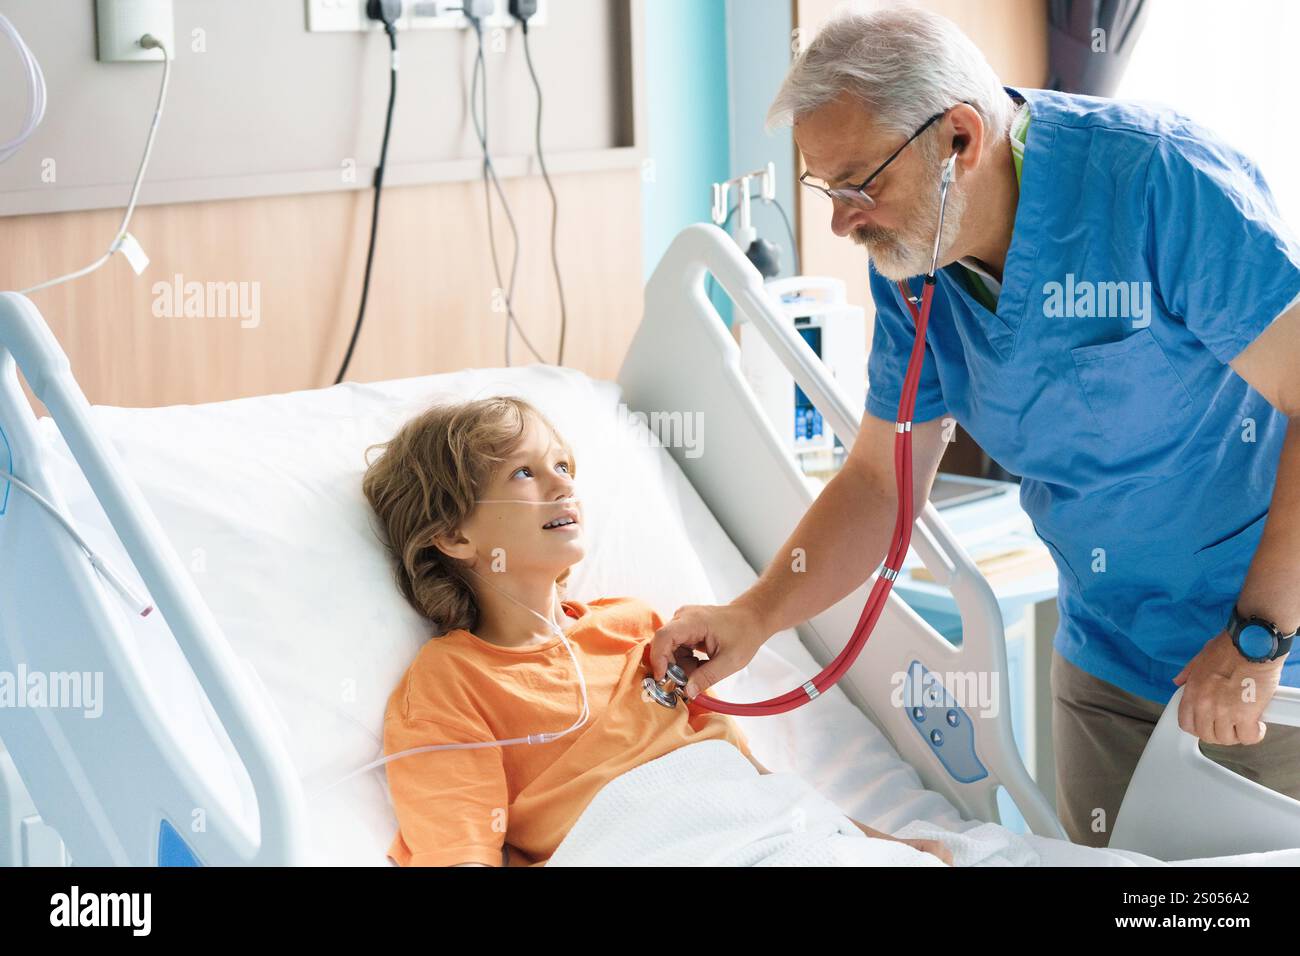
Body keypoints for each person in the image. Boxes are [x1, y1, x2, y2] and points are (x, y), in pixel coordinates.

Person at [650, 6, 1300, 848]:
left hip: (1269, 654)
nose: (843, 224)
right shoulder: (916, 259)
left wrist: (1258, 640)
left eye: (858, 186)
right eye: (826, 191)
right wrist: (754, 616)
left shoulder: (1156, 184)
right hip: (1109, 654)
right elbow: (883, 482)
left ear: (959, 138)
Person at [361, 396, 951, 865]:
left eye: (563, 466)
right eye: (522, 472)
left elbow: (746, 777)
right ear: (457, 537)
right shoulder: (447, 683)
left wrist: (879, 844)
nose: (562, 484)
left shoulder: (639, 628)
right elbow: (460, 850)